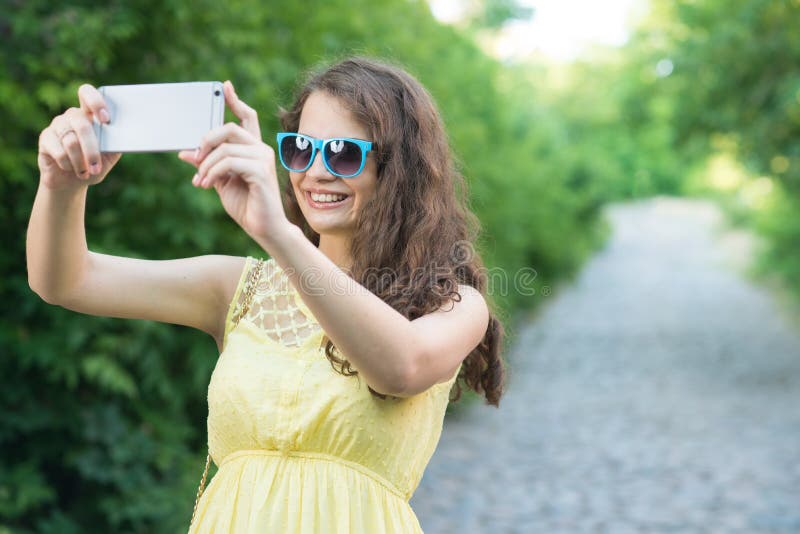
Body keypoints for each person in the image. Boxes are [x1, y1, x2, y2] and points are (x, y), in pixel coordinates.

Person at [28, 56, 505, 533]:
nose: (316, 172)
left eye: (343, 153)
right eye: (301, 149)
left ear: (400, 171)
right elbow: (66, 281)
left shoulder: (455, 305)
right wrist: (62, 185)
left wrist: (276, 232)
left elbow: (400, 368)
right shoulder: (240, 288)